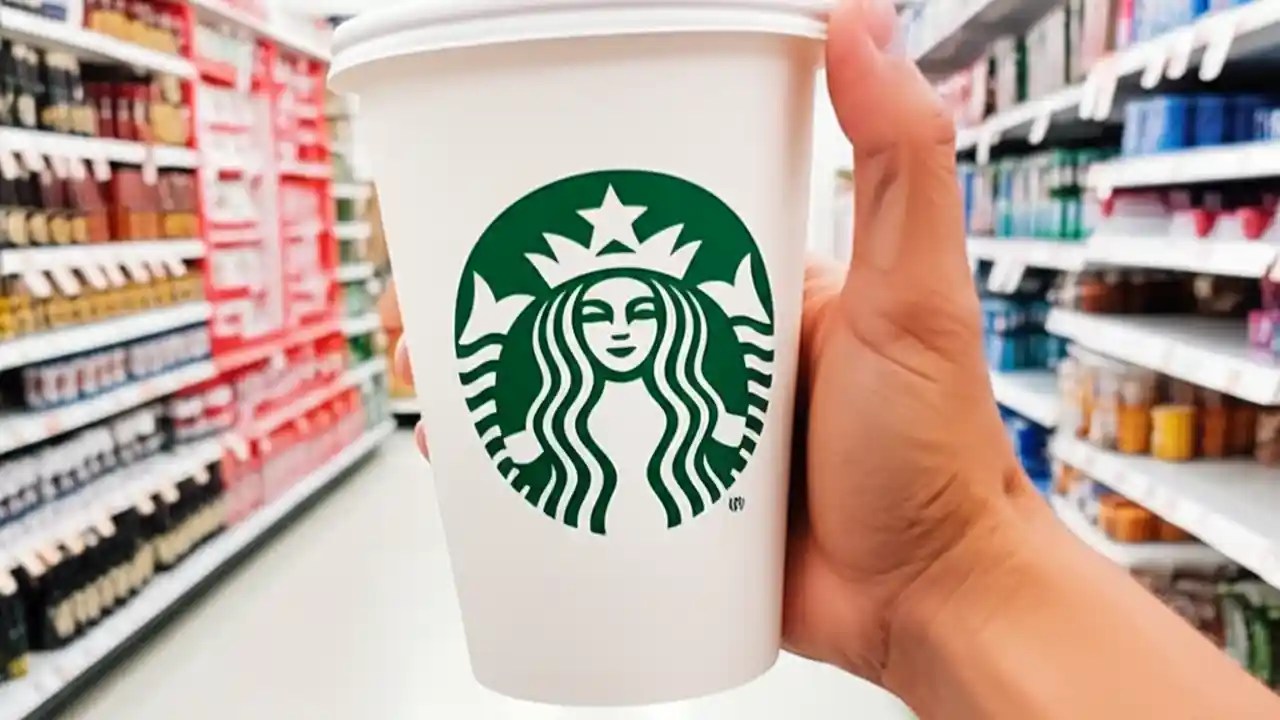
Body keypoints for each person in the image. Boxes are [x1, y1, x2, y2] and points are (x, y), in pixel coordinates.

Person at [379, 0, 1280, 716]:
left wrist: (948, 561)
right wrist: (952, 574)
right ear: (560, 330)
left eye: (643, 306)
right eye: (596, 312)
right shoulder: (555, 431)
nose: (619, 328)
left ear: (680, 324)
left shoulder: (698, 419)